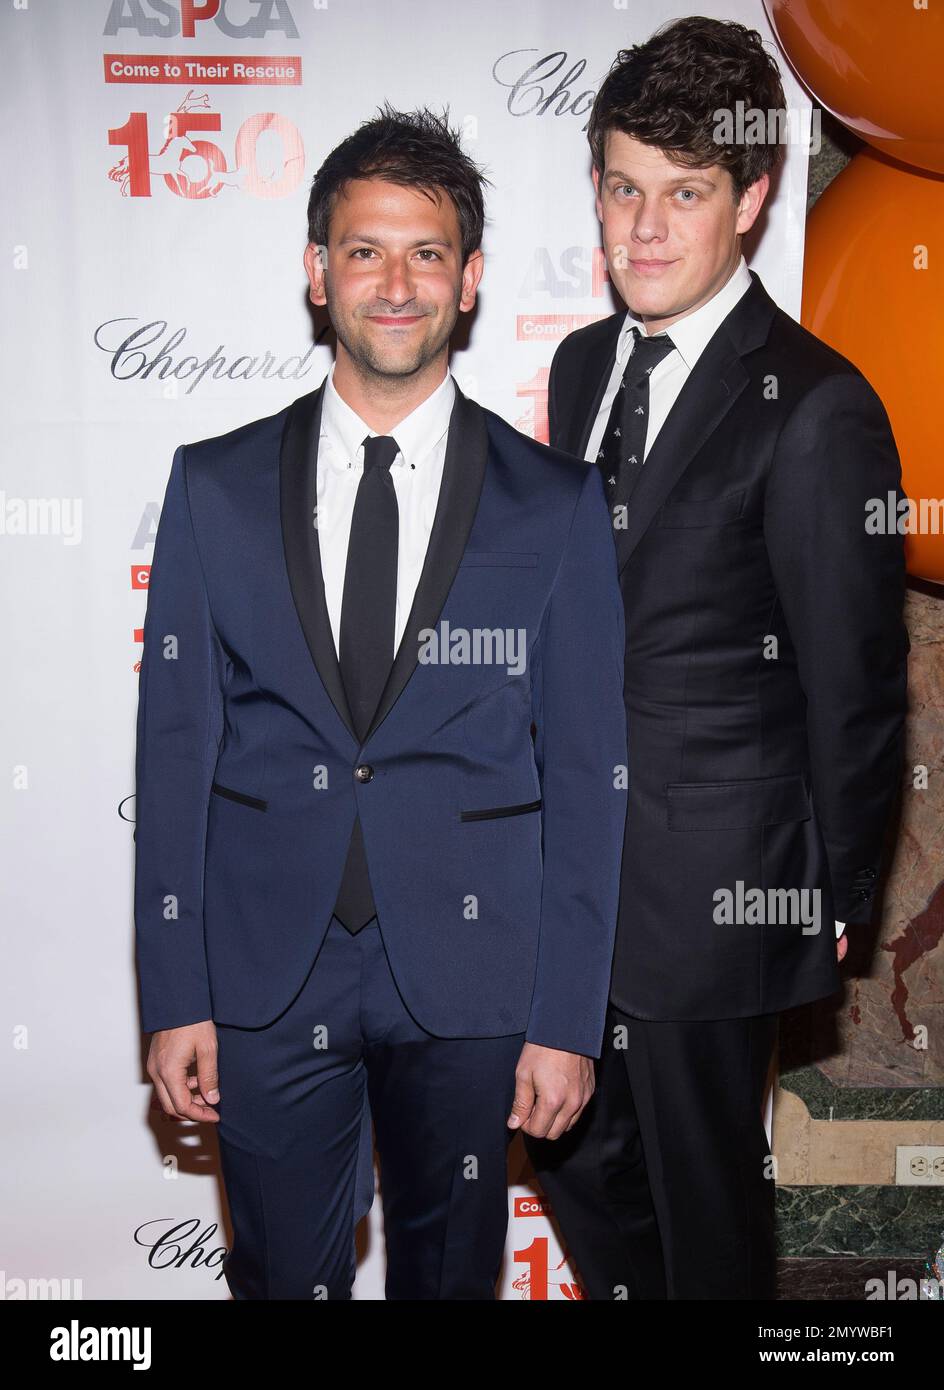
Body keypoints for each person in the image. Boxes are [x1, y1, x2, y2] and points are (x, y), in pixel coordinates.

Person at [133, 105, 627, 1301]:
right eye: (364, 250)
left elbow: (587, 772)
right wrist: (176, 992)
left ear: (465, 282)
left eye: (426, 253)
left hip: (472, 982)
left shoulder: (554, 505)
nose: (394, 283)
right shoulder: (214, 485)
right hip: (265, 977)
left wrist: (565, 1018)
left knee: (449, 1278)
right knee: (280, 1284)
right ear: (317, 273)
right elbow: (176, 751)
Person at [524, 17, 908, 1300]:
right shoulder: (580, 370)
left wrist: (833, 884)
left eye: (682, 194)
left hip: (716, 890)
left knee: (706, 1206)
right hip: (571, 882)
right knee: (573, 1158)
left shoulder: (816, 406)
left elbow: (854, 681)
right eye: (623, 188)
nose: (643, 228)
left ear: (748, 200)